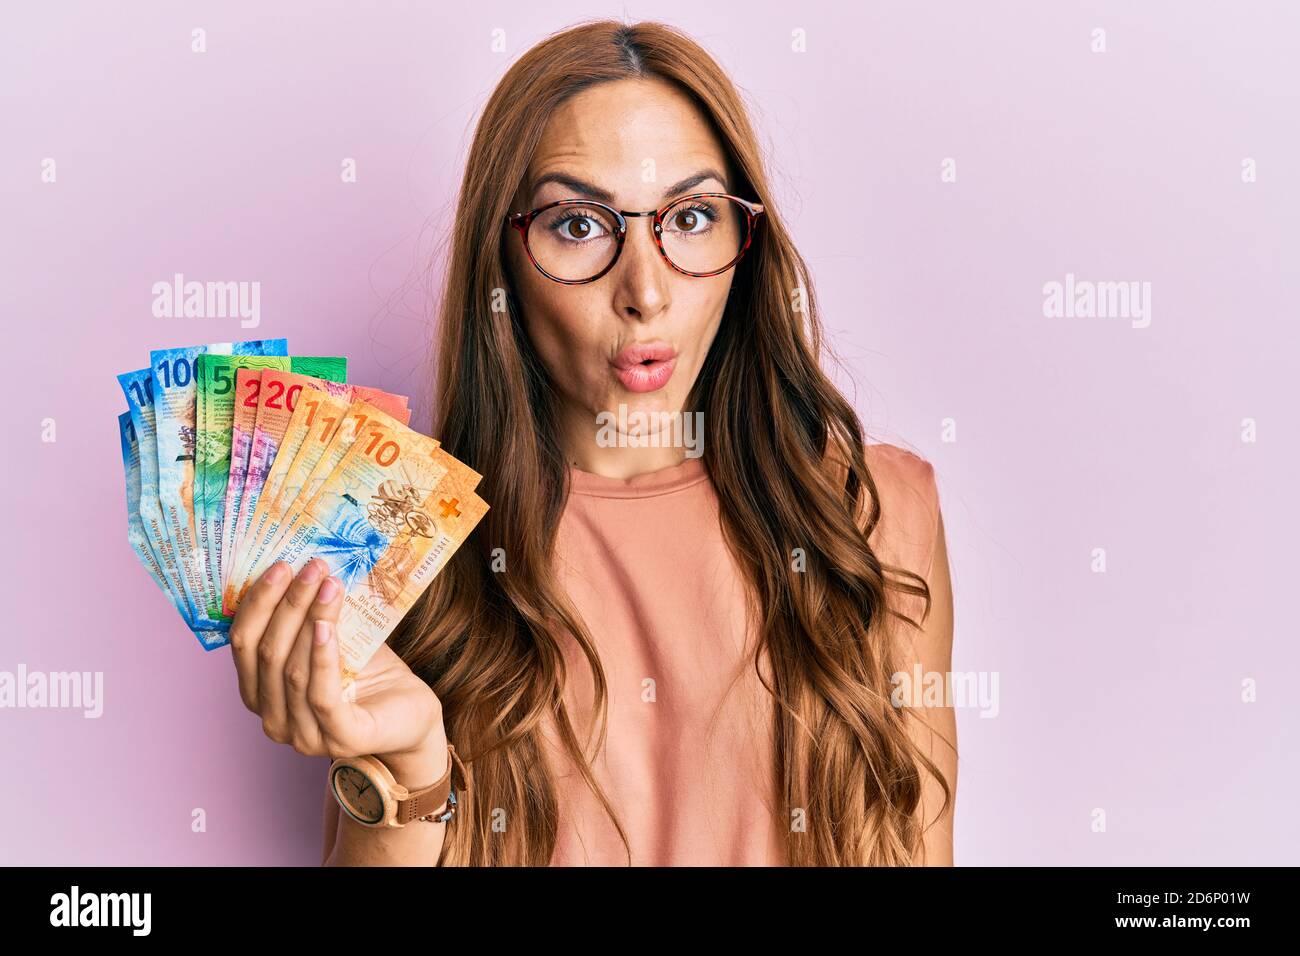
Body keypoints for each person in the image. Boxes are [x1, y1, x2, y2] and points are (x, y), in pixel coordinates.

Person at [228, 18, 956, 867]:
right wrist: (408, 773)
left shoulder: (873, 513)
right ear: (501, 259)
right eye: (579, 226)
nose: (645, 290)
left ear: (745, 241)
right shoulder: (401, 548)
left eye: (689, 217)